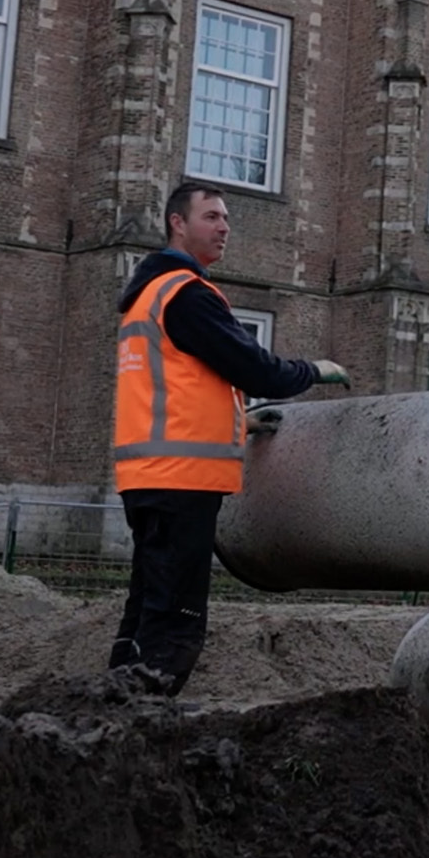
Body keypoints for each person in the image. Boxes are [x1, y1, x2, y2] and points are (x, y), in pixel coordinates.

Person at [112, 180, 348, 695]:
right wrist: (313, 370)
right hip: (183, 482)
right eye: (212, 217)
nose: (224, 228)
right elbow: (255, 368)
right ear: (178, 222)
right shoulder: (187, 295)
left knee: (146, 607)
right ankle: (140, 717)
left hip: (146, 477)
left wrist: (233, 420)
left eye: (226, 219)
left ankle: (109, 707)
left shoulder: (145, 298)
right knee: (177, 619)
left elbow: (168, 388)